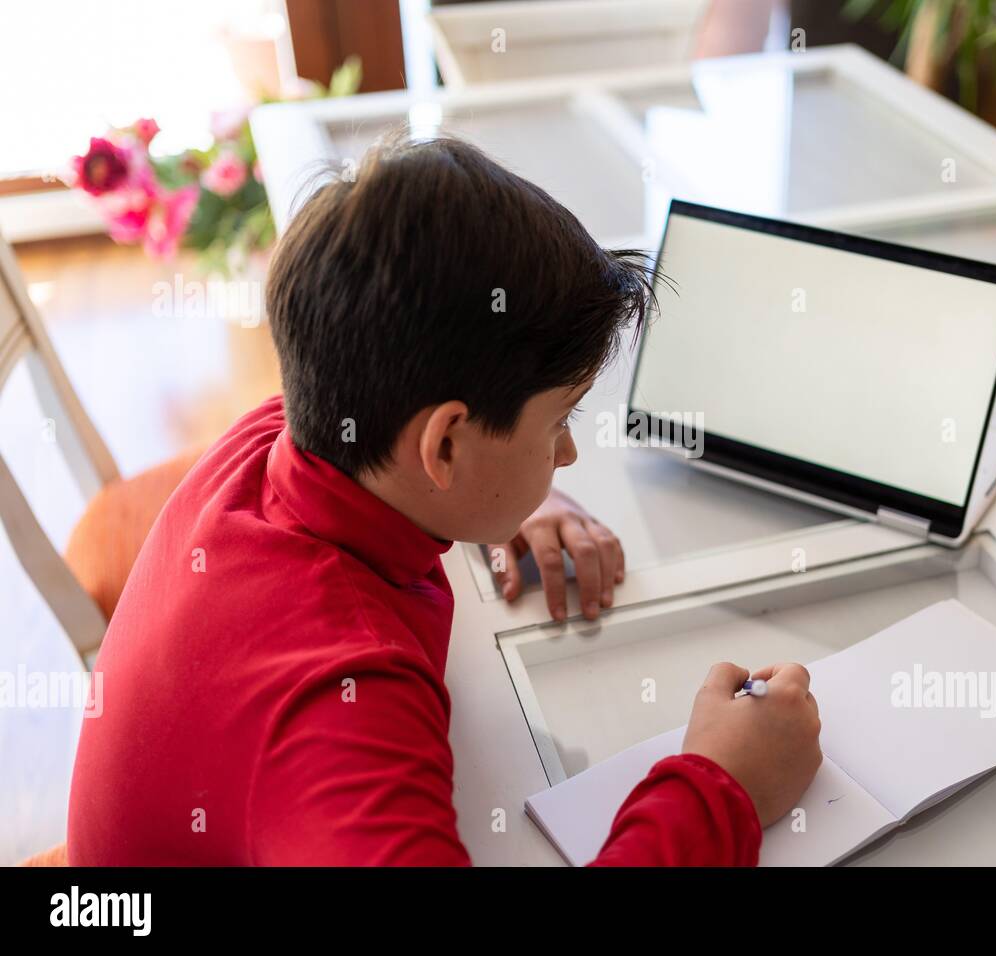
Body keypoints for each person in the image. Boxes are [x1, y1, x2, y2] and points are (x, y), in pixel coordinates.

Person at [67, 136, 822, 865]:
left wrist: (504, 496)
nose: (567, 454)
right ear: (445, 447)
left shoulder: (287, 430)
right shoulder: (341, 710)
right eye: (559, 422)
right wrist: (727, 788)